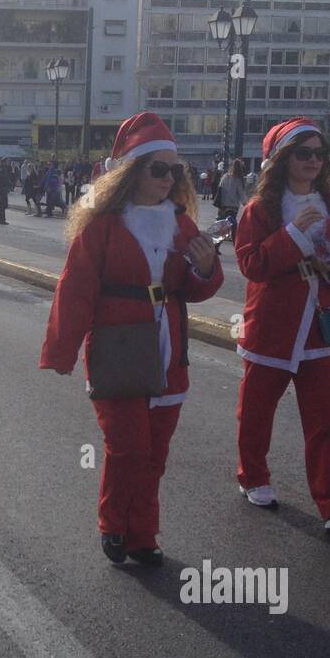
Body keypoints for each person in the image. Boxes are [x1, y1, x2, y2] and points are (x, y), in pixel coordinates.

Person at [40, 112, 222, 564]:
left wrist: (205, 269)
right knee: (128, 448)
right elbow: (76, 288)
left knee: (156, 452)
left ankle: (143, 533)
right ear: (131, 172)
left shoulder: (182, 224)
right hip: (119, 349)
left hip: (168, 349)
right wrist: (63, 349)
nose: (168, 178)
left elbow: (196, 289)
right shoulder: (101, 227)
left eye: (174, 170)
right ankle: (113, 524)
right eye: (157, 168)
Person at [233, 118, 330, 531]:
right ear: (282, 159)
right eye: (302, 153)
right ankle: (253, 476)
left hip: (319, 326)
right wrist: (293, 234)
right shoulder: (259, 209)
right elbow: (250, 264)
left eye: (318, 154)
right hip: (273, 325)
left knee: (326, 418)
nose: (312, 160)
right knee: (257, 411)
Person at [215, 157, 246, 237]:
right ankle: (235, 242)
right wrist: (245, 204)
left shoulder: (225, 176)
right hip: (233, 206)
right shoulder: (238, 179)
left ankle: (216, 246)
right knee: (232, 225)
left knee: (222, 226)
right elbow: (241, 194)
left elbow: (219, 188)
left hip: (223, 205)